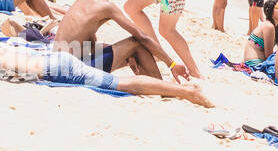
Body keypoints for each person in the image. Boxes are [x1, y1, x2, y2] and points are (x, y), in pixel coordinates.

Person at [51, 0, 184, 80]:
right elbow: (142, 36)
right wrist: (171, 64)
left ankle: (156, 85)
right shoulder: (106, 7)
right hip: (74, 71)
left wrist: (126, 53)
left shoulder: (79, 3)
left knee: (132, 50)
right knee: (136, 43)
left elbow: (89, 47)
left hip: (57, 67)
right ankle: (163, 89)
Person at [1, 45, 211, 107]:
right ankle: (179, 90)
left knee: (123, 84)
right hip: (54, 62)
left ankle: (185, 91)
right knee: (123, 83)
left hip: (58, 70)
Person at [245, 0, 278, 64]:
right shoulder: (269, 26)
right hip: (255, 63)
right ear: (270, 11)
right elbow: (268, 55)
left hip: (259, 61)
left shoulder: (275, 26)